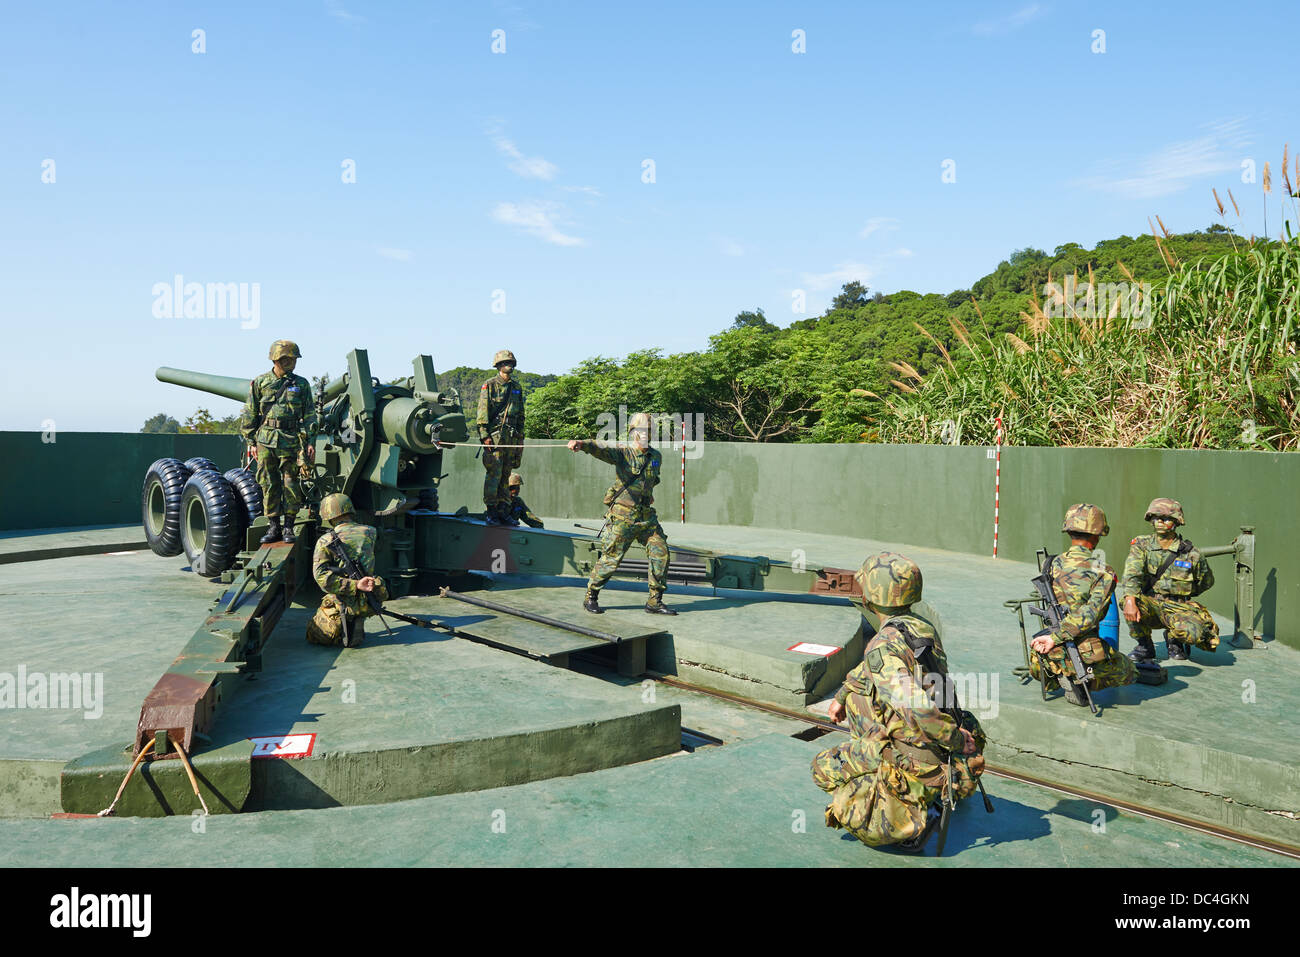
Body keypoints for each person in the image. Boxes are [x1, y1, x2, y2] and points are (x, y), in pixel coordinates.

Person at [811, 552, 985, 852]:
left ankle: (906, 811)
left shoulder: (882, 646)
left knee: (821, 769)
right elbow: (871, 670)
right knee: (854, 698)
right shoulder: (918, 627)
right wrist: (841, 696)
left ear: (868, 597)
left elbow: (917, 707)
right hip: (935, 741)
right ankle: (929, 784)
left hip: (918, 754)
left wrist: (957, 741)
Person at [567, 412, 675, 615]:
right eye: (642, 430)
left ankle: (654, 601)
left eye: (650, 430)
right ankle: (591, 595)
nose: (646, 434)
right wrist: (582, 444)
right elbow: (599, 448)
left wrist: (647, 494)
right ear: (633, 432)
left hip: (646, 517)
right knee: (611, 558)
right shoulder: (623, 452)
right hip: (623, 516)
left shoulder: (655, 457)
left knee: (661, 553)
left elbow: (653, 480)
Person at [1027, 504, 1138, 704]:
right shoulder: (1103, 571)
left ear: (1069, 531)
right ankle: (1080, 680)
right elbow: (1091, 614)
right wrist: (1058, 637)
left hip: (1047, 646)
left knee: (1051, 654)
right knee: (1130, 671)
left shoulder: (1052, 563)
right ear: (1097, 535)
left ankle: (1055, 672)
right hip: (1081, 649)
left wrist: (1053, 636)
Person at [238, 339, 316, 544]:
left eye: (293, 359)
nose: (290, 362)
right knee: (268, 483)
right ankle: (274, 526)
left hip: (291, 440)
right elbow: (250, 413)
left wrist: (309, 442)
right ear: (275, 359)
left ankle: (289, 526)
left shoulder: (301, 384)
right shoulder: (261, 382)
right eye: (285, 359)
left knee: (291, 483)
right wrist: (251, 441)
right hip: (265, 440)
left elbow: (309, 415)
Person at [1122, 498, 1218, 662]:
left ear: (1177, 521)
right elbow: (1133, 573)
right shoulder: (1141, 545)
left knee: (1196, 633)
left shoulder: (1191, 554)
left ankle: (1174, 640)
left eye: (1165, 518)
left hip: (1178, 607)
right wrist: (1130, 599)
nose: (1159, 521)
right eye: (1156, 517)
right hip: (1150, 604)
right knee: (1128, 602)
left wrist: (1183, 596)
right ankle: (1144, 646)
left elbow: (1205, 582)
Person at [306, 492, 388, 647]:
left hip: (342, 601)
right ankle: (356, 620)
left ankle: (343, 623)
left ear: (329, 516)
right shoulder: (370, 532)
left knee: (313, 634)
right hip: (367, 599)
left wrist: (354, 585)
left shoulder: (325, 540)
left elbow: (321, 578)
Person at [476, 349, 525, 526]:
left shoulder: (516, 387)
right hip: (495, 437)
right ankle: (491, 512)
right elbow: (482, 412)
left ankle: (504, 511)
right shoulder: (489, 385)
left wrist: (520, 438)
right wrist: (484, 436)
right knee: (493, 475)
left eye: (511, 363)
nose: (508, 365)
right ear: (498, 365)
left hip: (511, 438)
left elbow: (521, 415)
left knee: (506, 475)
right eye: (505, 363)